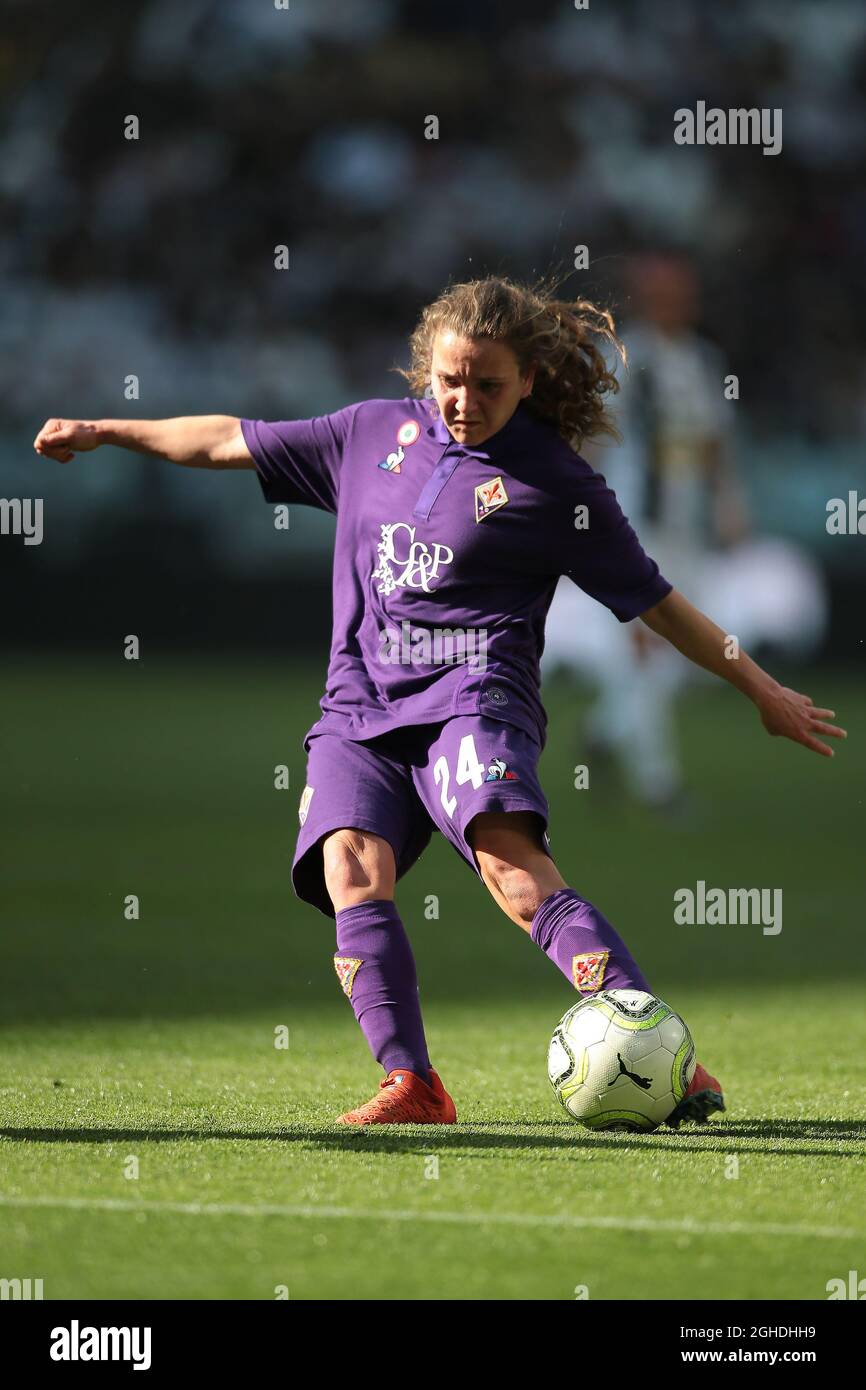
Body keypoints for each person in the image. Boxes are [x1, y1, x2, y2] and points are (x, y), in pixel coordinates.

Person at [34, 276, 846, 1127]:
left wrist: (761, 689)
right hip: (358, 709)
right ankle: (413, 1085)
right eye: (451, 380)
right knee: (351, 869)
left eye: (488, 385)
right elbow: (227, 439)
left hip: (473, 698)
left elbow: (659, 603)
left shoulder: (559, 486)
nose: (465, 401)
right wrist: (107, 431)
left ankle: (664, 1051)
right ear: (427, 368)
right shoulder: (366, 434)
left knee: (513, 872)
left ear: (528, 380)